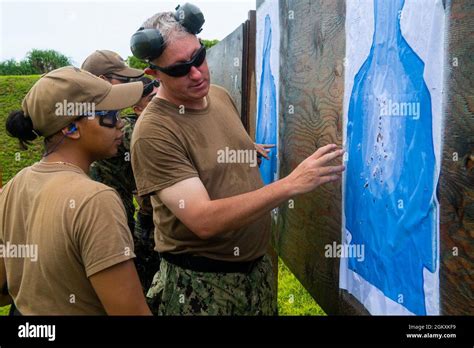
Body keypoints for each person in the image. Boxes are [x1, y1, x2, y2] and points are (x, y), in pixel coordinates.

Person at [129, 5, 345, 316]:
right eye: (178, 69)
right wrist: (292, 184)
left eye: (199, 57)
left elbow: (209, 147)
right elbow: (203, 219)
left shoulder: (217, 96)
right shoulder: (154, 132)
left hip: (255, 274)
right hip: (203, 287)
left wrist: (241, 151)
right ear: (154, 74)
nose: (196, 73)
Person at [0, 66, 151, 315]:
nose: (120, 123)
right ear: (71, 128)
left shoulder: (15, 185)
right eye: (111, 114)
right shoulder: (96, 199)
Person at [81, 50, 144, 233]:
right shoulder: (98, 127)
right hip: (109, 225)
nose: (129, 85)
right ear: (102, 80)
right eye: (123, 80)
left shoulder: (96, 120)